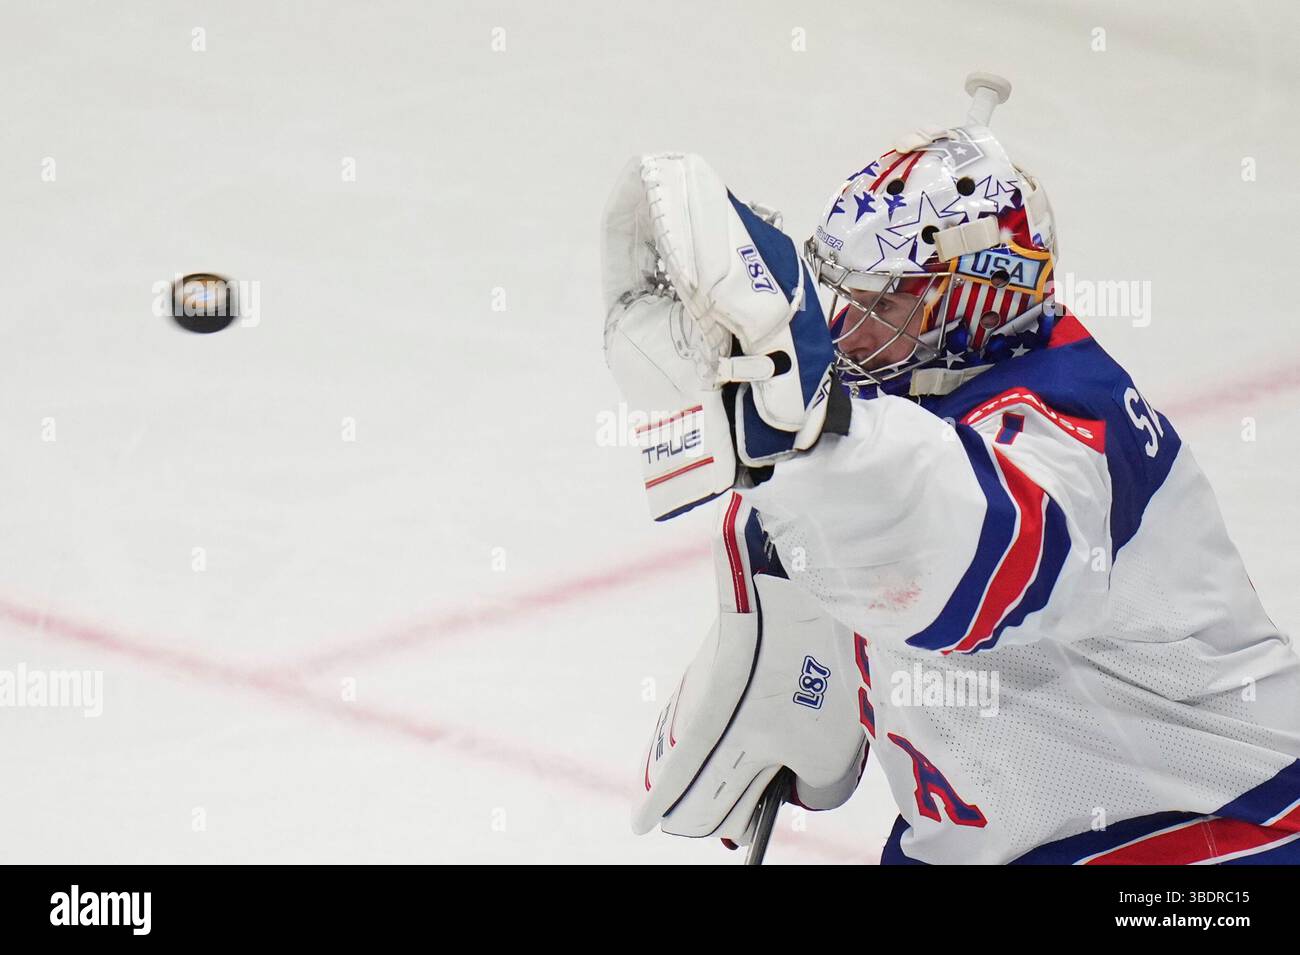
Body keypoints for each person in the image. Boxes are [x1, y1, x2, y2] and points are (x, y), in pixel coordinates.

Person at [601, 74, 1300, 864]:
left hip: (1227, 833)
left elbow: (970, 560)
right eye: (844, 296)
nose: (848, 333)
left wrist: (804, 438)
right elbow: (830, 609)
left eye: (884, 307)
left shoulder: (1075, 425)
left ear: (973, 303)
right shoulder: (889, 427)